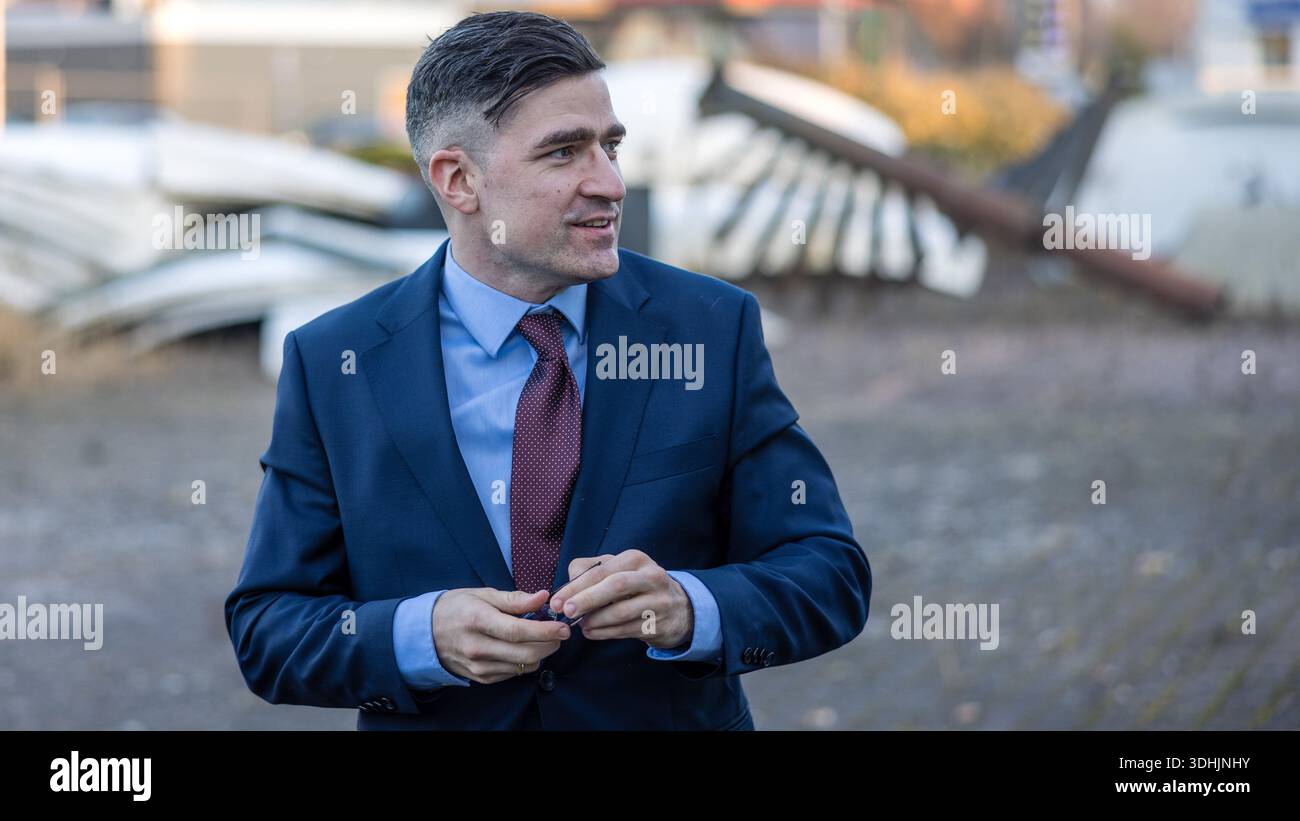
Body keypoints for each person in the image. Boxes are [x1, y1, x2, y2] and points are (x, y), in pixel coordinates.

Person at [224, 10, 871, 730]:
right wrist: (419, 636)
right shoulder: (334, 364)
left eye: (610, 146)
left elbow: (829, 572)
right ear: (459, 180)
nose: (609, 183)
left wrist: (690, 606)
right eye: (564, 153)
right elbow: (269, 630)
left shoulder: (711, 329)